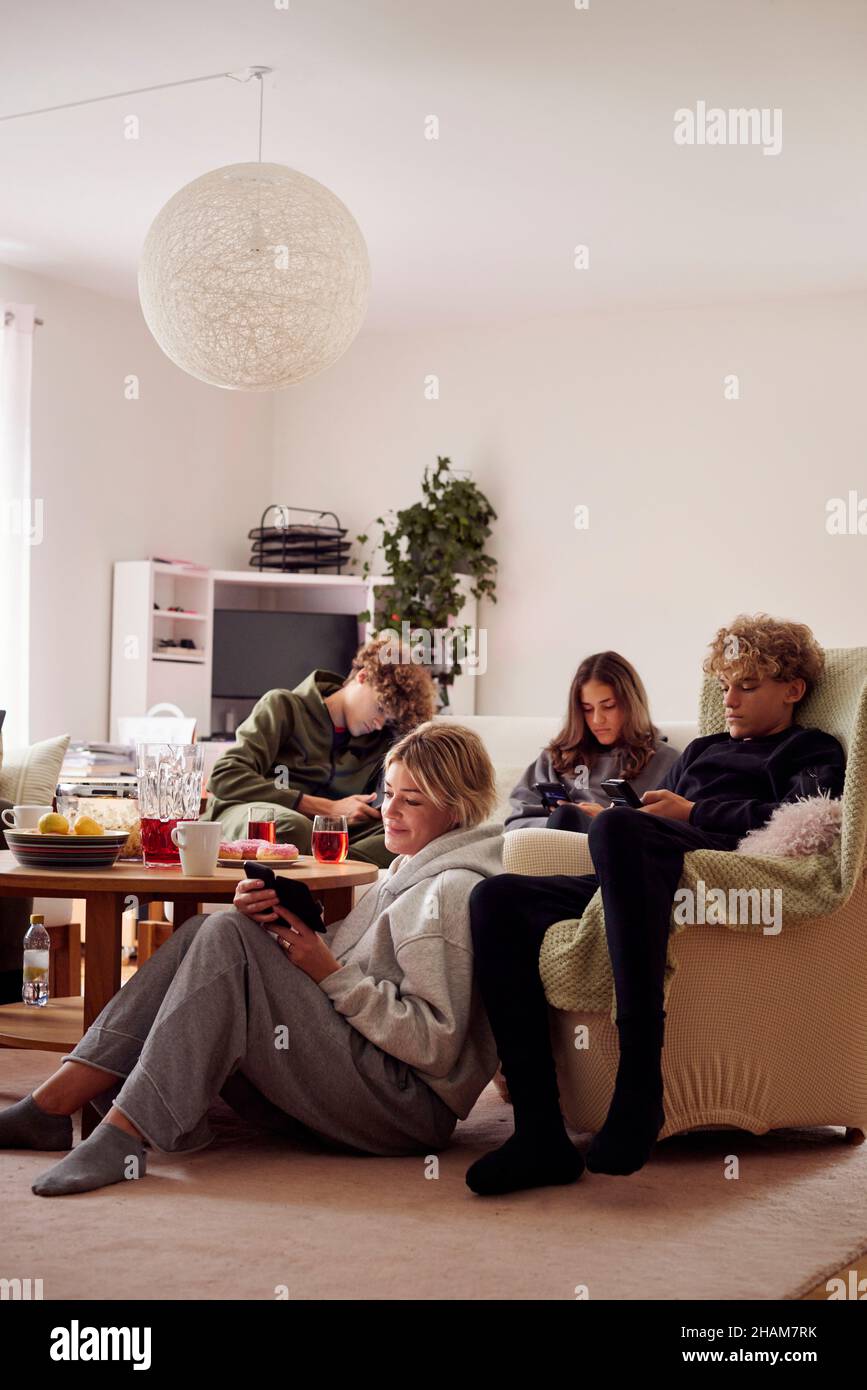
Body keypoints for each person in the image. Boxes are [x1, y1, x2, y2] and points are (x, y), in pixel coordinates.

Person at [0, 723, 503, 1198]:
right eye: (389, 792)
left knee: (225, 934)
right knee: (213, 929)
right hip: (367, 1073)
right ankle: (51, 1104)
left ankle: (123, 1131)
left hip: (406, 1106)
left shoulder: (449, 891)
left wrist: (325, 970)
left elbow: (434, 1044)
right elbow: (356, 961)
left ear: (456, 809)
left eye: (410, 800)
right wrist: (281, 928)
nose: (389, 809)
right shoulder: (407, 867)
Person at [467, 614, 846, 1197]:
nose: (731, 700)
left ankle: (641, 1081)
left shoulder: (810, 749)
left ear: (792, 689)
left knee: (619, 829)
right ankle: (539, 1132)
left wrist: (689, 815)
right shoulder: (702, 749)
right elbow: (659, 829)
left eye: (747, 685)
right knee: (496, 898)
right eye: (724, 686)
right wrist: (651, 818)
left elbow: (801, 824)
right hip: (648, 874)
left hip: (722, 876)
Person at [200, 636, 437, 868]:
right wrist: (326, 808)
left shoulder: (379, 738)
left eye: (388, 719)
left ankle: (332, 865)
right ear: (362, 677)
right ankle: (334, 863)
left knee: (409, 831)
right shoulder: (283, 706)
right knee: (293, 827)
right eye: (380, 708)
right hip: (251, 811)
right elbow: (223, 776)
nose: (379, 722)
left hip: (328, 828)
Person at [505, 652, 680, 834]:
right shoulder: (555, 757)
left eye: (608, 706)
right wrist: (559, 822)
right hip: (551, 844)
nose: (597, 719)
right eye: (587, 709)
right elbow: (514, 823)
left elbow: (680, 830)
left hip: (616, 846)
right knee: (565, 817)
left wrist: (605, 821)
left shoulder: (666, 760)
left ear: (631, 704)